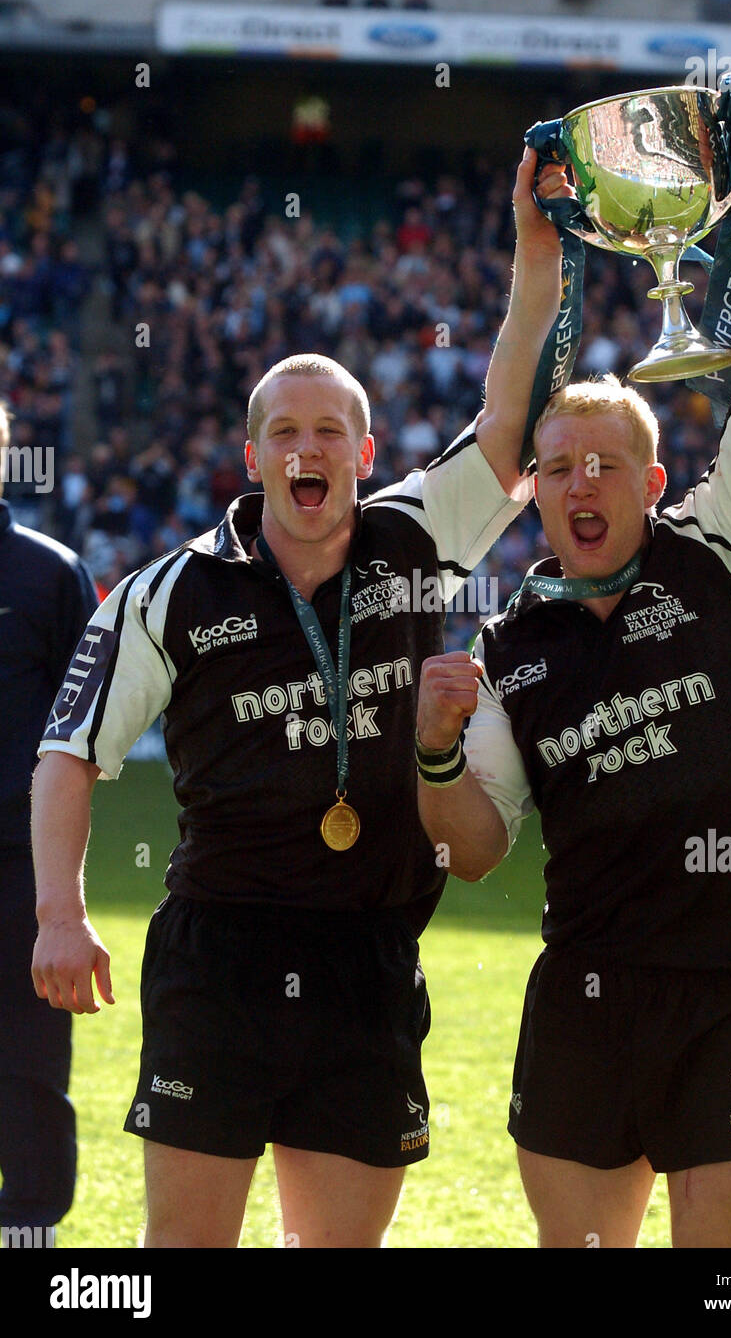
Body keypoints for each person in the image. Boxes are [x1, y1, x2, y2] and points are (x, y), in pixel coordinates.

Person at [28, 146, 574, 1248]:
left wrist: (536, 250)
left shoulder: (420, 532)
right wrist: (59, 910)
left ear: (367, 454)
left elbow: (517, 414)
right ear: (252, 456)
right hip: (218, 953)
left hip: (369, 956)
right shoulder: (167, 591)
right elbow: (69, 750)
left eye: (330, 431)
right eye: (285, 430)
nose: (307, 448)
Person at [416, 89, 731, 1248]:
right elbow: (474, 849)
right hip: (587, 994)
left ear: (654, 484)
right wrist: (436, 751)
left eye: (609, 463)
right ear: (533, 491)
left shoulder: (725, 547)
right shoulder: (508, 646)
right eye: (558, 466)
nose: (583, 482)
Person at [0, 402, 98, 1246]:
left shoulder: (49, 572)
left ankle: (30, 1229)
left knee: (30, 1061)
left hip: (18, 866)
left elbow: (82, 731)